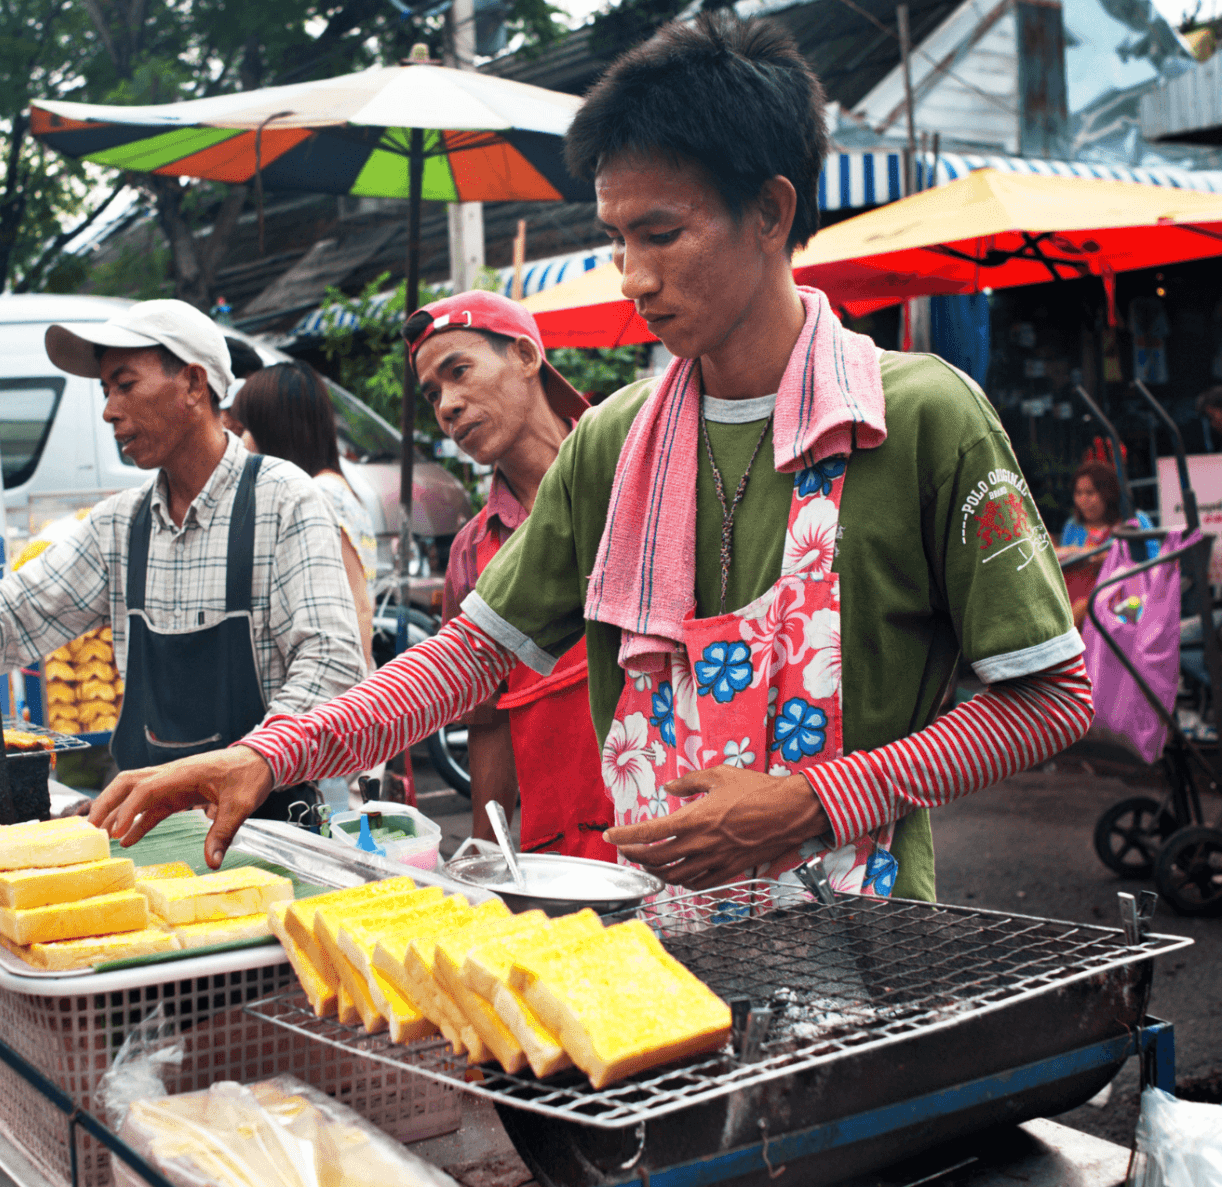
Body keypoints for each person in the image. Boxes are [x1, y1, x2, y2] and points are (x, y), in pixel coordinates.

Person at [89, 14, 1094, 899]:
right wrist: (270, 754)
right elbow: (471, 656)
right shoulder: (616, 441)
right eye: (616, 238)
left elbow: (1050, 695)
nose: (634, 277)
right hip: (650, 934)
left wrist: (813, 798)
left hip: (870, 935)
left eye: (662, 232)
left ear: (772, 211)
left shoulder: (916, 417)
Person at [0, 299, 366, 820]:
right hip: (150, 829)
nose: (108, 410)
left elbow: (331, 660)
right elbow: (19, 609)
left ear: (193, 385)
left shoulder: (283, 499)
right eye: (105, 390)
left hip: (263, 825)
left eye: (125, 385)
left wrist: (251, 759)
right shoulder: (121, 525)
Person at [418, 290, 615, 860]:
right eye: (433, 394)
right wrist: (485, 848)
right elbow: (486, 722)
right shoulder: (471, 553)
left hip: (674, 830)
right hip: (562, 855)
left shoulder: (637, 469)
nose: (447, 405)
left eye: (459, 372)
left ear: (527, 357)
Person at [230, 361, 377, 669]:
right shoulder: (333, 488)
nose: (241, 442)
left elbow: (357, 608)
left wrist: (352, 705)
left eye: (246, 430)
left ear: (275, 431)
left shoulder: (319, 495)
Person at [1055, 460, 1156, 624]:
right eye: (1078, 493)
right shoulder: (1073, 526)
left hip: (1127, 597)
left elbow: (1152, 564)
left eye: (1090, 493)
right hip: (1078, 596)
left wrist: (1109, 559)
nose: (1083, 500)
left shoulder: (1135, 521)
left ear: (1107, 494)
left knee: (1084, 606)